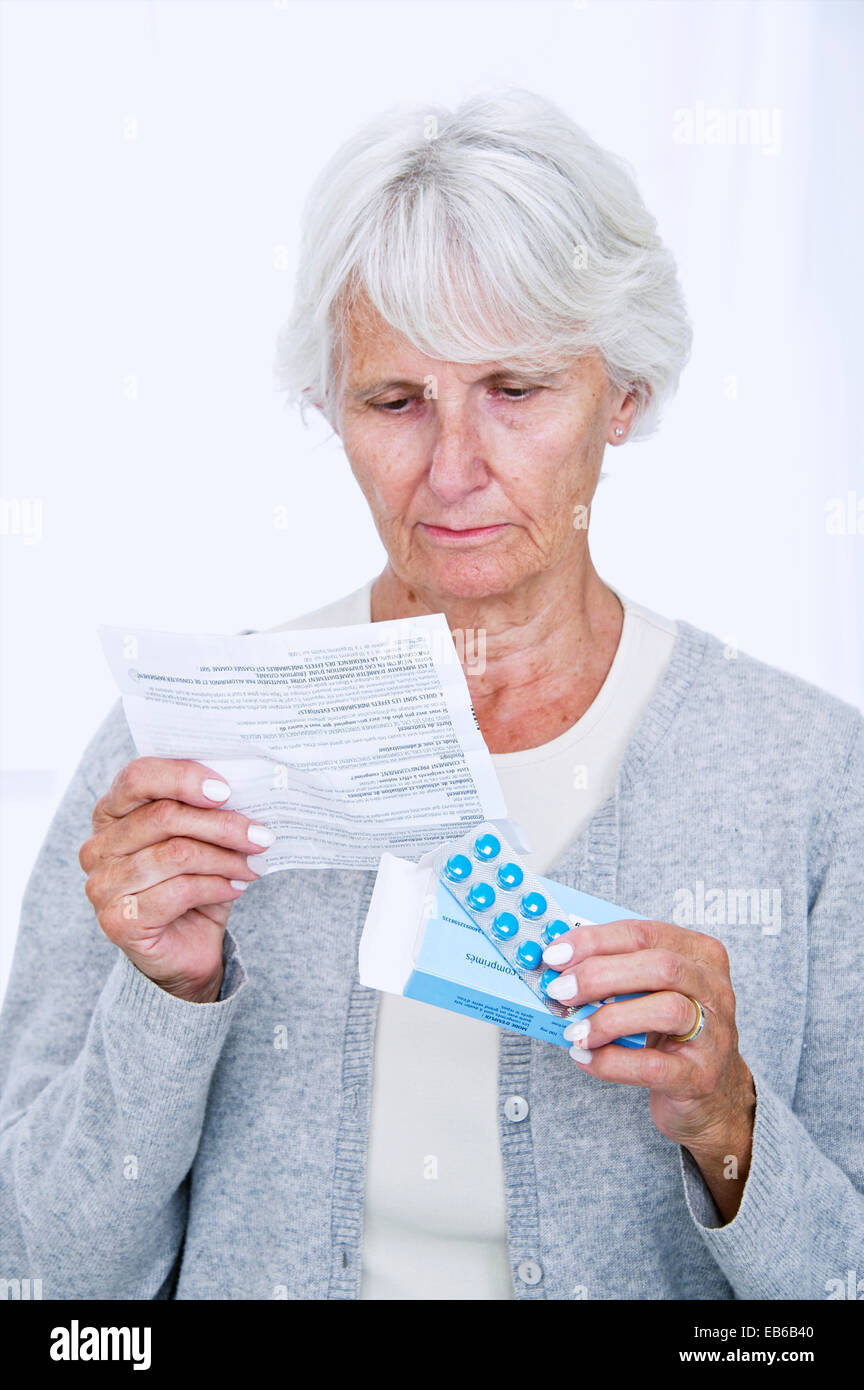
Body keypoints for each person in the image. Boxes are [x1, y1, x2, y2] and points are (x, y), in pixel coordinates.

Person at [0, 89, 861, 1301]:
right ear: (329, 411)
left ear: (624, 397)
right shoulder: (182, 760)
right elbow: (48, 1286)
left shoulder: (811, 781)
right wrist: (164, 999)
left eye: (517, 388)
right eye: (395, 401)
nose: (453, 469)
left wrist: (730, 1121)